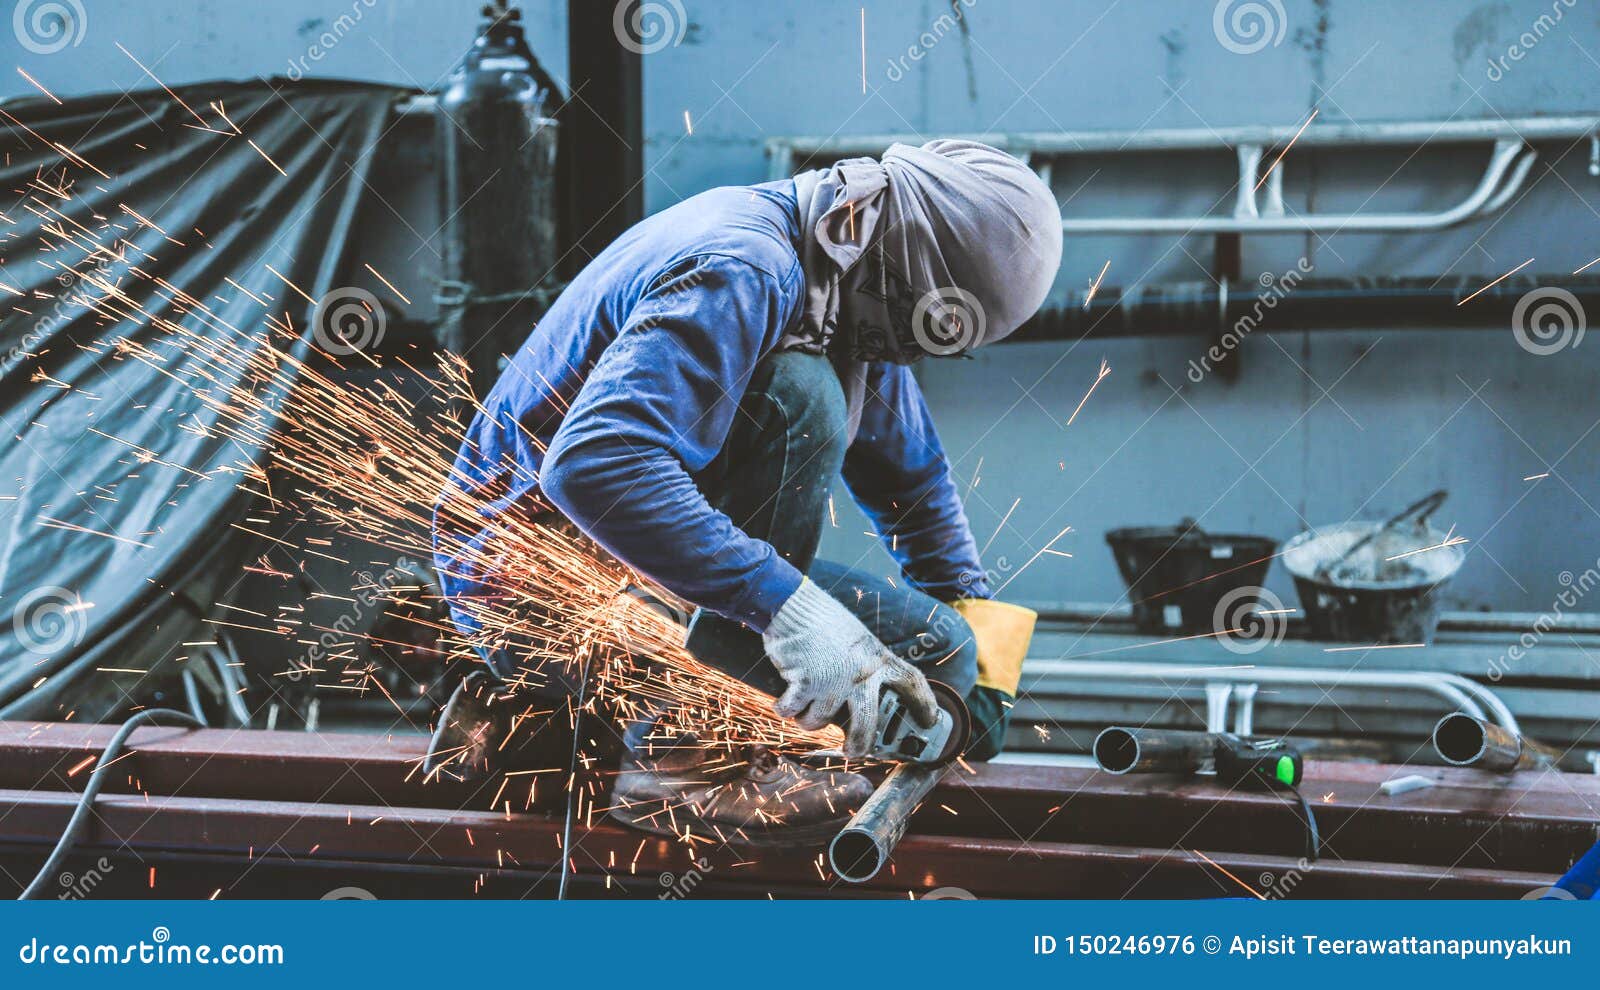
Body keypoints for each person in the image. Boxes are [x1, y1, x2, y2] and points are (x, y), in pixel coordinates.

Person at [430, 140, 1062, 846]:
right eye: (924, 330)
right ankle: (687, 759)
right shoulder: (744, 265)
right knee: (800, 398)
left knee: (936, 644)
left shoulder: (852, 279)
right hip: (539, 587)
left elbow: (912, 478)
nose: (911, 358)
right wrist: (788, 612)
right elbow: (594, 466)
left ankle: (544, 718)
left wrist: (980, 642)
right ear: (900, 263)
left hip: (640, 582)